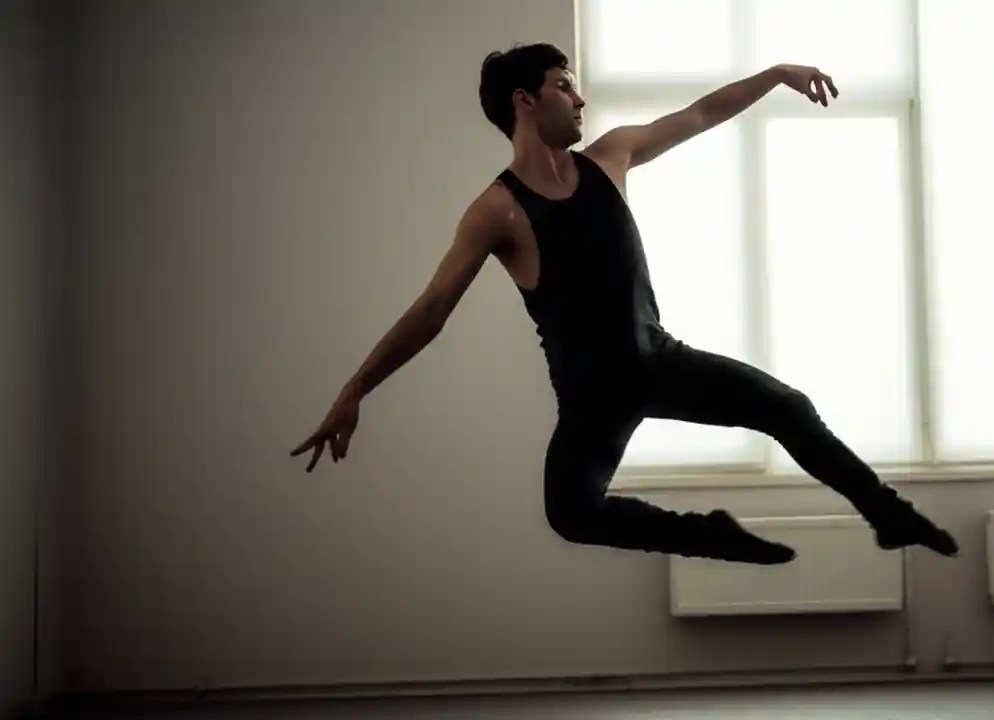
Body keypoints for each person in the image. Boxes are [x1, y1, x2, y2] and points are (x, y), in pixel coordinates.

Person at [291, 43, 959, 565]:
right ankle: (710, 536)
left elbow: (698, 114)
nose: (580, 99)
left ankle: (888, 515)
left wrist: (775, 73)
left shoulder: (611, 157)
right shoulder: (496, 211)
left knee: (787, 407)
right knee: (571, 514)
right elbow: (432, 309)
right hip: (592, 401)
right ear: (525, 101)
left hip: (661, 361)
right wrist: (355, 389)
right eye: (564, 86)